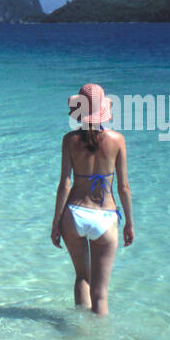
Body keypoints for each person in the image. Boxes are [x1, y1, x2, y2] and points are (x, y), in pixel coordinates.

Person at [51, 82, 134, 316]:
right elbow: (124, 187)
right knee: (101, 293)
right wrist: (129, 223)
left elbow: (65, 184)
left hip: (74, 213)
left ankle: (80, 338)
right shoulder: (117, 140)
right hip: (105, 217)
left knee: (82, 279)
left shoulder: (69, 140)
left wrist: (56, 222)